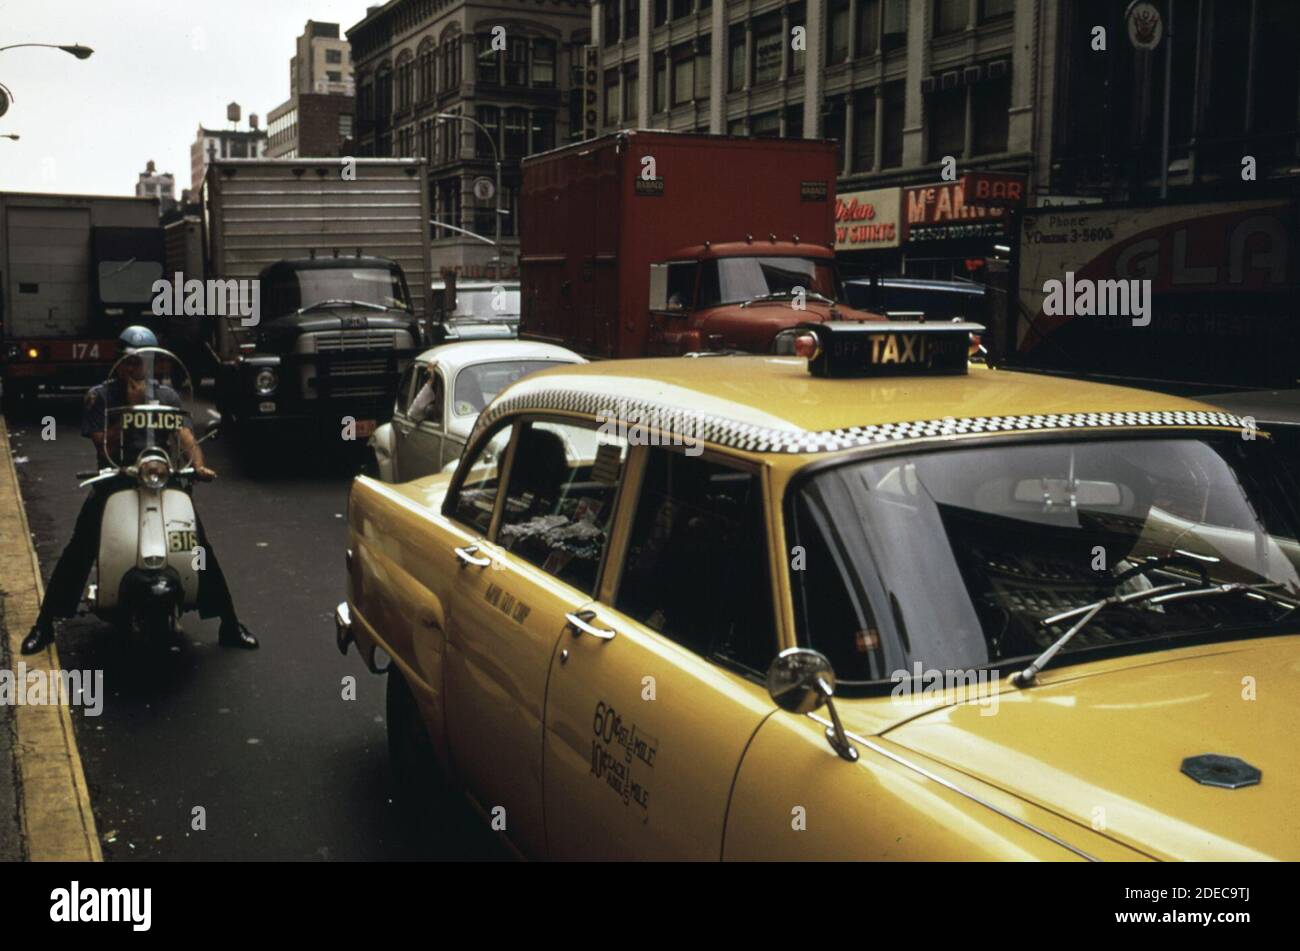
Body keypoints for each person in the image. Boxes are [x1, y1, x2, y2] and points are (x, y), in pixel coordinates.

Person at [22, 326, 258, 653]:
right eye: (130, 362)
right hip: (116, 477)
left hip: (162, 476)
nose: (137, 369)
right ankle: (44, 625)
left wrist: (198, 464)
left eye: (142, 362)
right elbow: (102, 443)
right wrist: (131, 409)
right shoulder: (99, 396)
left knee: (199, 545)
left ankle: (230, 624)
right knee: (80, 547)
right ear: (118, 363)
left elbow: (185, 437)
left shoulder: (167, 397)